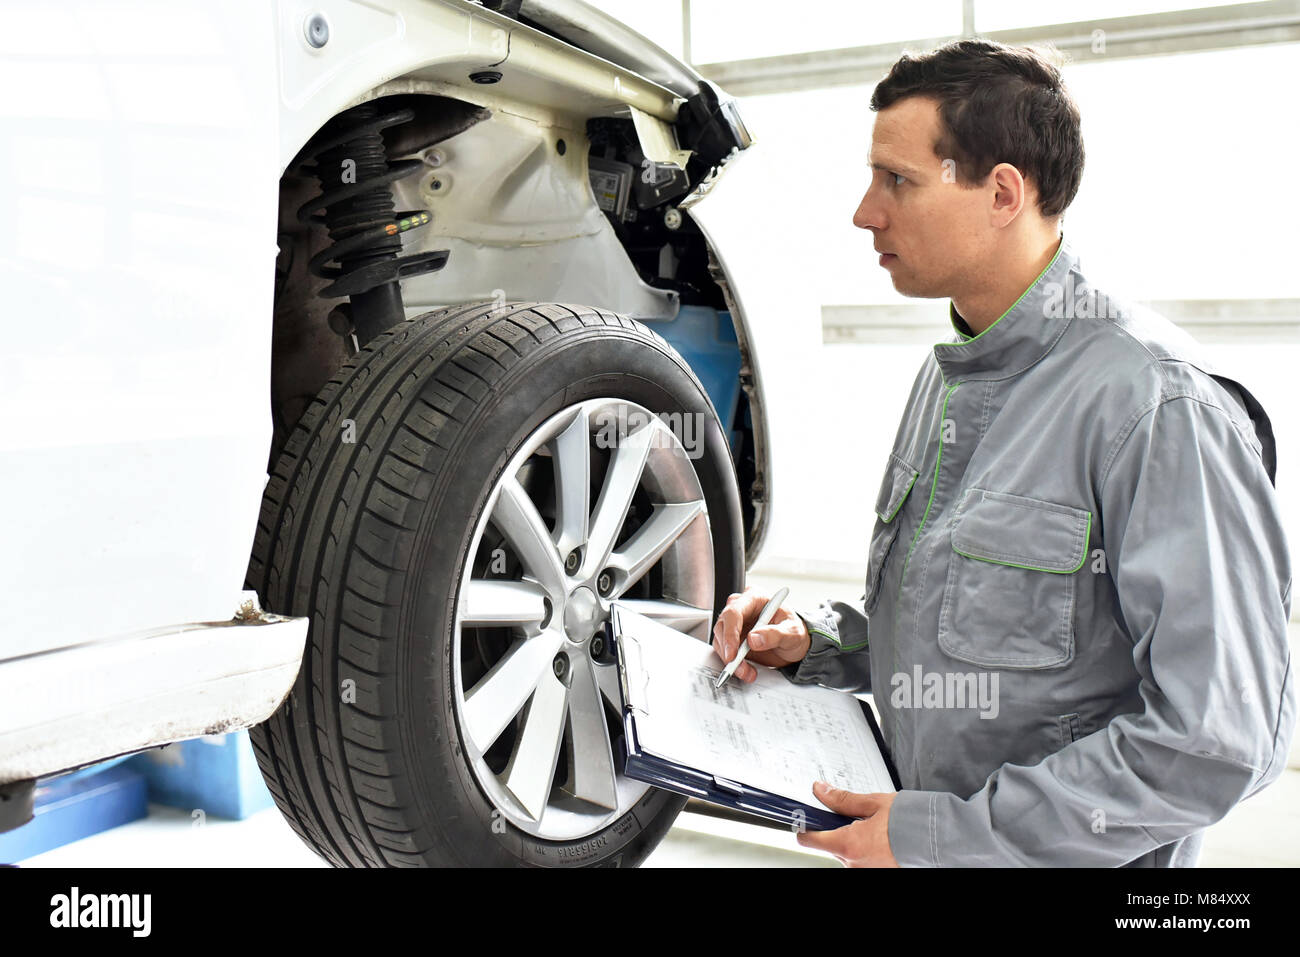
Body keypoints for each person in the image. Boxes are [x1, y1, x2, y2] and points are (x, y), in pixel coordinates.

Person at [712, 38, 1295, 867]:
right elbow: (984, 645)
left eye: (897, 181)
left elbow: (1217, 740)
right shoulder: (950, 374)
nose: (864, 212)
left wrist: (948, 838)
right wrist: (819, 644)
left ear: (1003, 193)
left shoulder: (1158, 407)